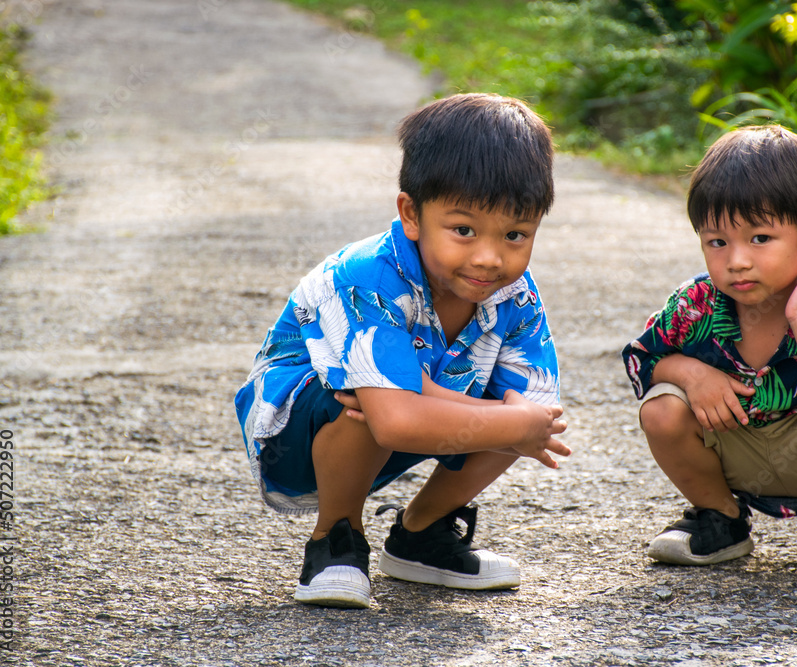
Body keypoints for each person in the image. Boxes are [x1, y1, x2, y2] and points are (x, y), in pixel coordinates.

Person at [235, 93, 569, 608]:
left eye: (515, 234)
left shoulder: (514, 296)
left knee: (518, 422)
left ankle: (421, 534)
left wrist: (453, 402)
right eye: (463, 230)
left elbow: (538, 412)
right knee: (365, 404)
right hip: (303, 433)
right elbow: (393, 422)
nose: (489, 257)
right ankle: (336, 538)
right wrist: (506, 419)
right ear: (412, 214)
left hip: (420, 418)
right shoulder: (365, 277)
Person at [621, 125, 797, 579]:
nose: (737, 261)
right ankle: (721, 519)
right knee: (661, 409)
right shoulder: (696, 303)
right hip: (729, 446)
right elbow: (641, 359)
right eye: (717, 242)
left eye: (760, 239)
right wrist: (691, 374)